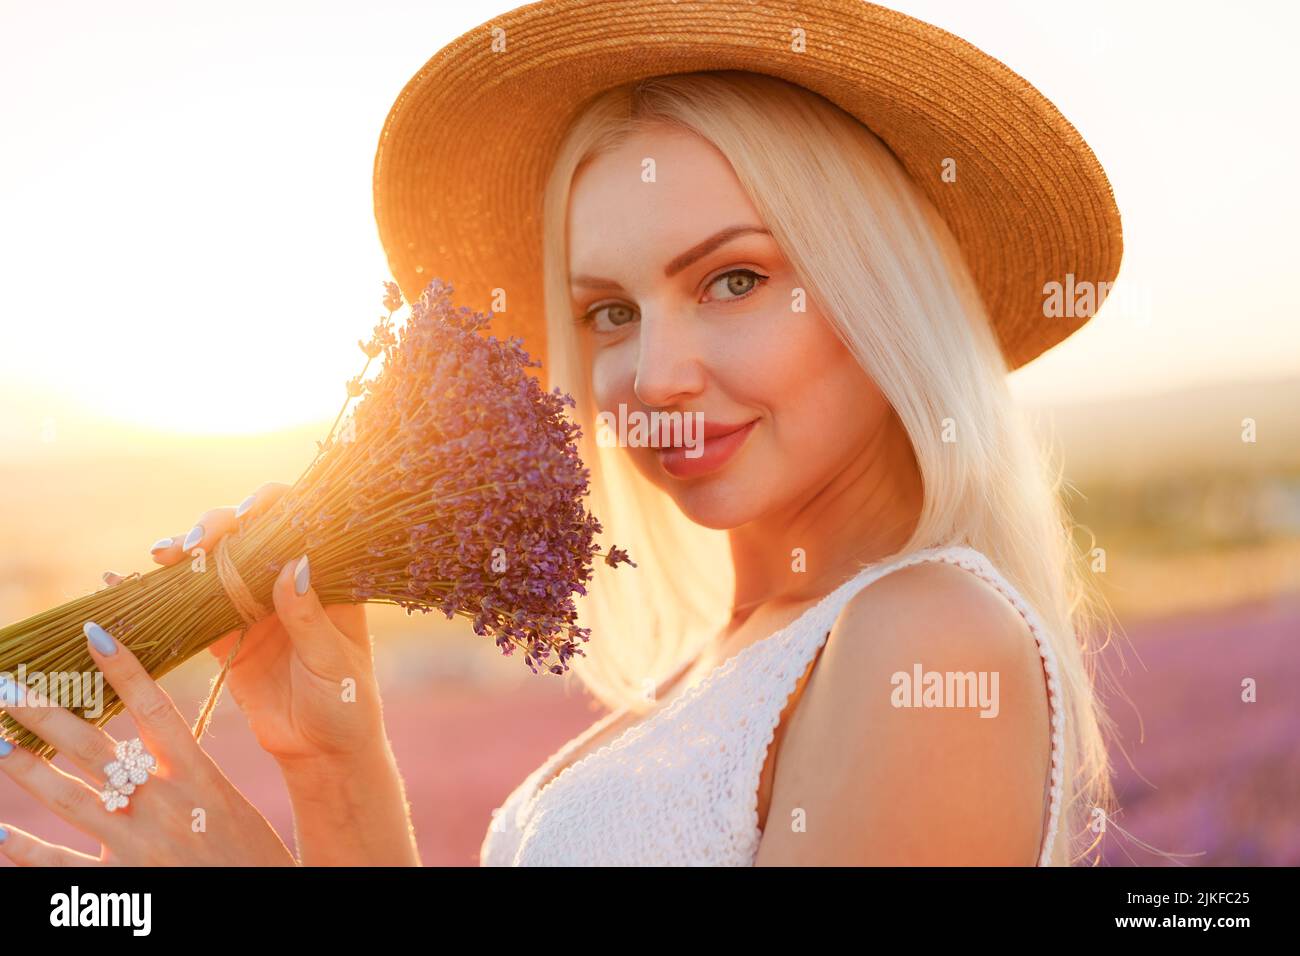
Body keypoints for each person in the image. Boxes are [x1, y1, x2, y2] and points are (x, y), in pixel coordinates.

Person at [0, 0, 1121, 866]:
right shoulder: (740, 658)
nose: (653, 372)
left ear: (879, 292)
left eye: (734, 278)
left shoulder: (927, 639)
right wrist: (336, 768)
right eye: (607, 313)